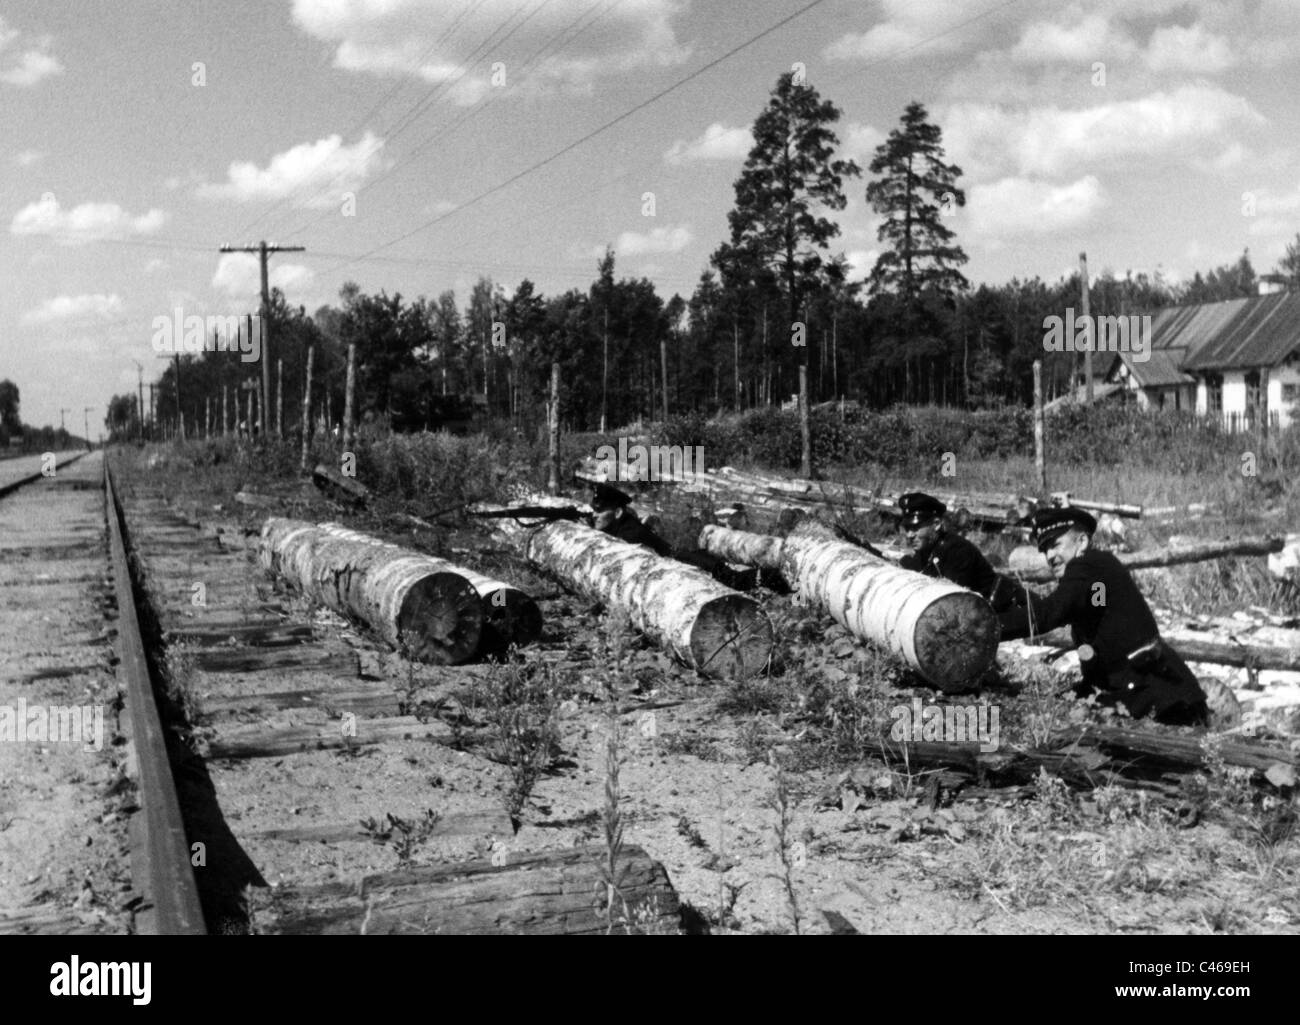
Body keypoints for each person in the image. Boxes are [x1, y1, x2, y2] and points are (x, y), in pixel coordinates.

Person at [997, 506, 1210, 726]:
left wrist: (989, 627)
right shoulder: (1097, 571)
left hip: (1167, 708)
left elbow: (1048, 613)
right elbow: (1088, 613)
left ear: (1082, 542)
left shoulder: (1087, 565)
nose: (1049, 556)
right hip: (1159, 699)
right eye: (1044, 550)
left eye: (1055, 545)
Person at [590, 483, 753, 590]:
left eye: (599, 511)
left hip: (686, 562)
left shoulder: (629, 535)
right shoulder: (620, 526)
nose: (594, 515)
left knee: (736, 581)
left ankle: (772, 575)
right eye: (594, 510)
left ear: (618, 513)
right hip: (681, 559)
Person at [896, 492, 1024, 612]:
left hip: (1008, 608)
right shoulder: (927, 548)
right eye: (907, 528)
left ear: (936, 524)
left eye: (915, 528)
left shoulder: (957, 551)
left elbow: (951, 601)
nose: (909, 535)